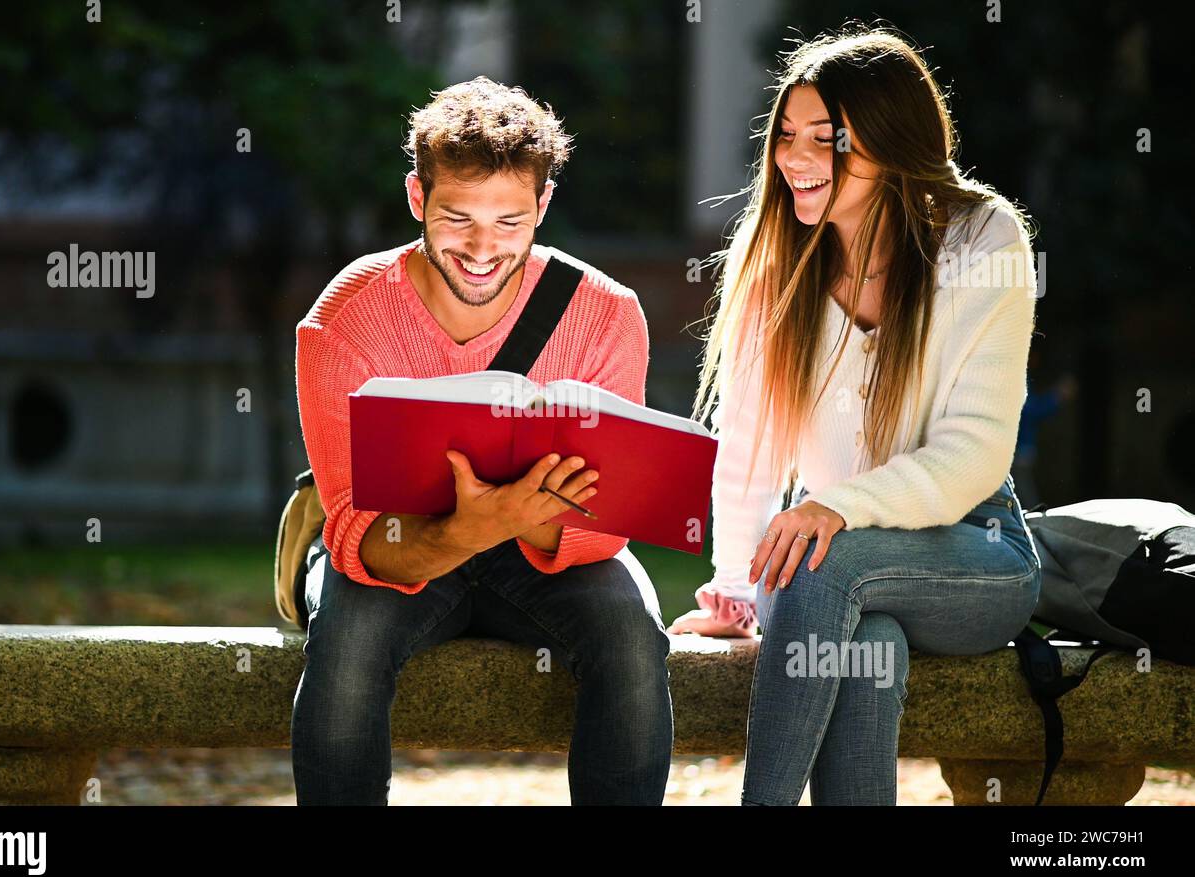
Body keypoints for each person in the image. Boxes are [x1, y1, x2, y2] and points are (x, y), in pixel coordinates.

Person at [669, 27, 1043, 805]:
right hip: (818, 568)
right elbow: (747, 449)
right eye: (786, 135)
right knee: (863, 642)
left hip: (974, 551)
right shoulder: (777, 260)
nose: (795, 159)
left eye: (826, 140)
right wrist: (735, 587)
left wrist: (836, 507)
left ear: (892, 139)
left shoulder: (983, 239)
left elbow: (973, 454)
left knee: (825, 559)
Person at [291, 76, 672, 805]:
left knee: (630, 632)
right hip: (406, 545)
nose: (481, 249)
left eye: (509, 222)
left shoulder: (604, 314)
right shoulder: (344, 319)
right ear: (417, 200)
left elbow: (610, 523)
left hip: (542, 551)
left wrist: (519, 520)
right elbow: (351, 530)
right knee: (346, 647)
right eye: (458, 217)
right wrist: (462, 531)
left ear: (544, 207)